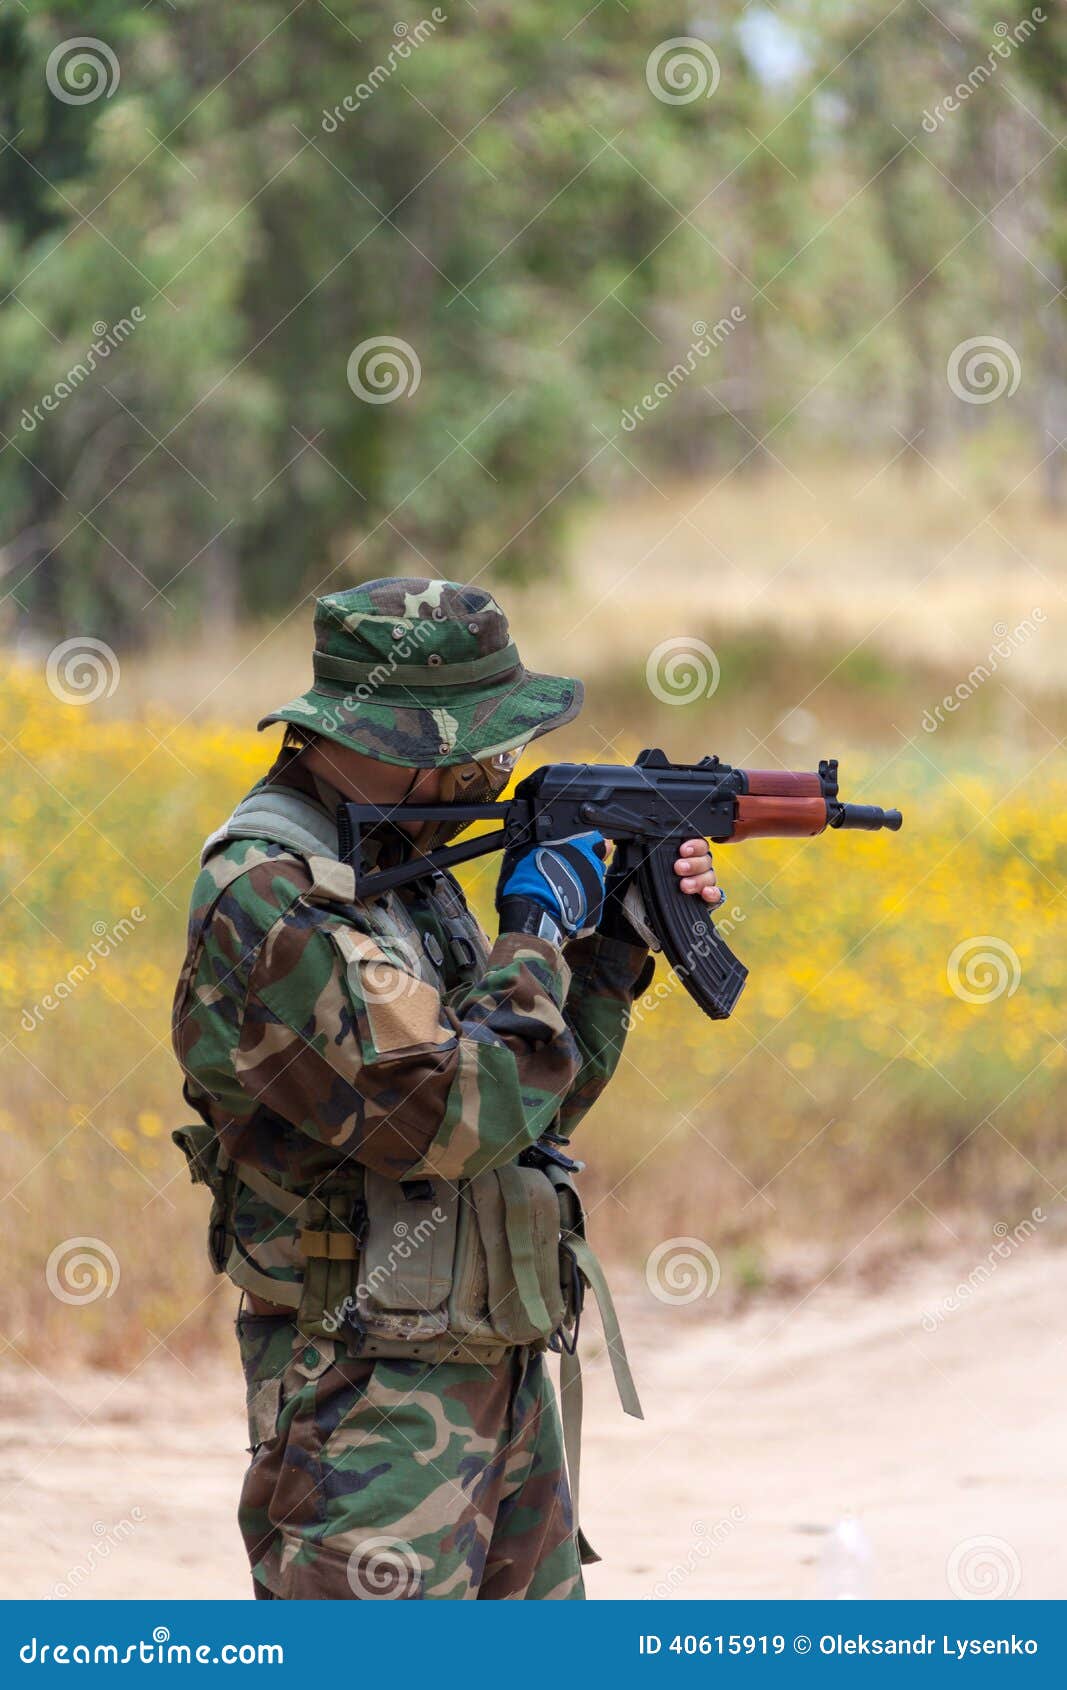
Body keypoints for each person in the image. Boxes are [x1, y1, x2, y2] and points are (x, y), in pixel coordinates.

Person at [171, 578, 722, 1600]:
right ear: (402, 738)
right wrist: (534, 939)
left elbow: (523, 1116)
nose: (497, 769)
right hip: (366, 1403)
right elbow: (446, 1122)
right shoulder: (272, 896)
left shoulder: (400, 866)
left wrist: (606, 955)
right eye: (482, 745)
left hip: (488, 1371)